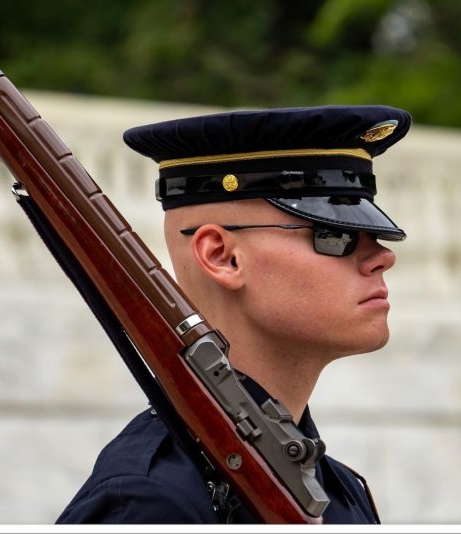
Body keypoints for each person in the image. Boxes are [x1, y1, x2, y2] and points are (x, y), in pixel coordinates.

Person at [56, 105, 411, 524]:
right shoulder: (152, 503)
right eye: (335, 234)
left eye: (375, 235)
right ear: (222, 256)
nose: (382, 257)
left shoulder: (336, 489)